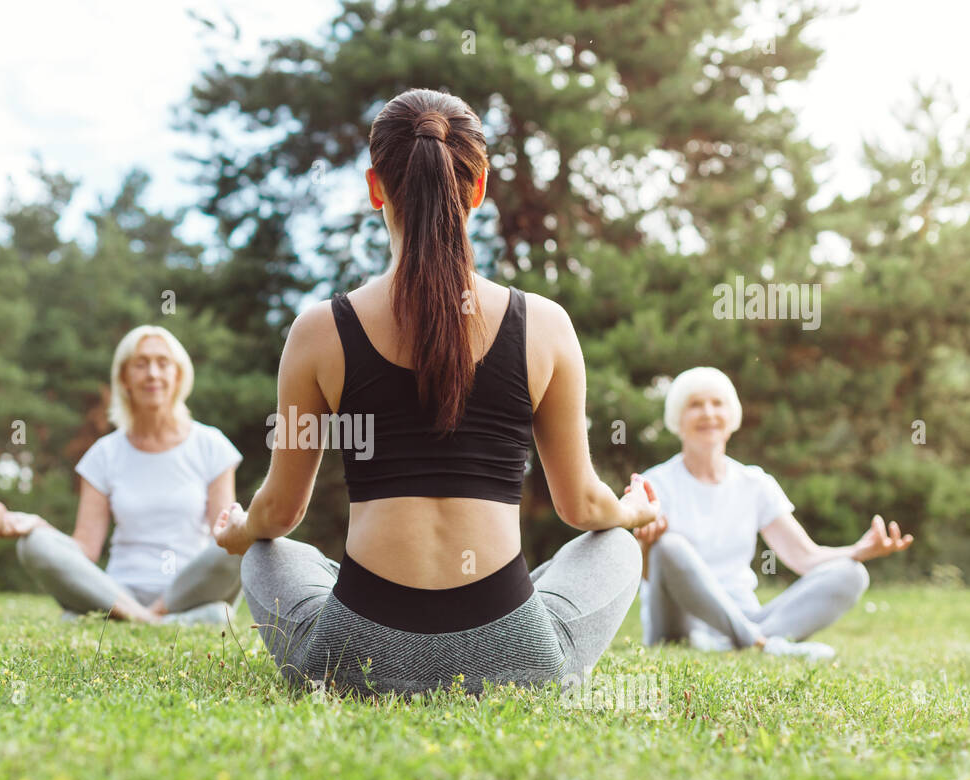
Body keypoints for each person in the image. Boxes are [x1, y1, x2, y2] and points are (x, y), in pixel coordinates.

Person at [211, 88, 658, 697]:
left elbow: (277, 514)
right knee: (615, 549)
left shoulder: (319, 331)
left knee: (267, 554)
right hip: (514, 659)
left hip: (354, 659)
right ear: (477, 190)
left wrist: (238, 531)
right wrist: (631, 512)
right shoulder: (545, 324)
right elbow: (583, 507)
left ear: (377, 188)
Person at [630, 366, 914, 660]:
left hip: (749, 615)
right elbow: (650, 575)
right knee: (670, 547)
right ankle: (757, 644)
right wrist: (648, 547)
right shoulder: (655, 483)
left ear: (732, 417)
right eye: (695, 405)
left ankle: (745, 641)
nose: (708, 413)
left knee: (851, 573)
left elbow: (805, 558)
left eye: (717, 404)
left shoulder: (755, 483)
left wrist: (859, 550)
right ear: (677, 418)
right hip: (679, 627)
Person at [0, 325, 244, 626]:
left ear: (179, 376)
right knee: (32, 544)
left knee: (244, 534)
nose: (153, 374)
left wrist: (248, 529)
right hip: (118, 592)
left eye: (163, 363)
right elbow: (85, 550)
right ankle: (157, 620)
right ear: (124, 378)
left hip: (188, 592)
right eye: (141, 364)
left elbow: (223, 538)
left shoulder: (212, 446)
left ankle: (132, 619)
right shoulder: (103, 454)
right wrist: (37, 527)